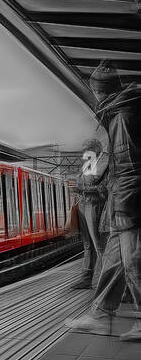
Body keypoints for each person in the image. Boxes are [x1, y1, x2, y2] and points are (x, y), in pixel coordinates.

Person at [66, 64, 141, 340]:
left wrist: (122, 204)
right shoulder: (122, 112)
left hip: (130, 201)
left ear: (98, 91)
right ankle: (99, 314)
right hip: (125, 198)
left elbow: (130, 167)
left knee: (133, 261)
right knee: (114, 258)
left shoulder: (122, 116)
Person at [71, 137, 108, 289]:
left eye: (87, 150)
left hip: (94, 204)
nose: (85, 153)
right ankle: (86, 277)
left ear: (95, 149)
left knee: (98, 245)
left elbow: (99, 184)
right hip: (83, 204)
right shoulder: (90, 162)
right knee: (87, 244)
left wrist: (82, 188)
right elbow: (82, 180)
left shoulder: (103, 161)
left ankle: (103, 279)